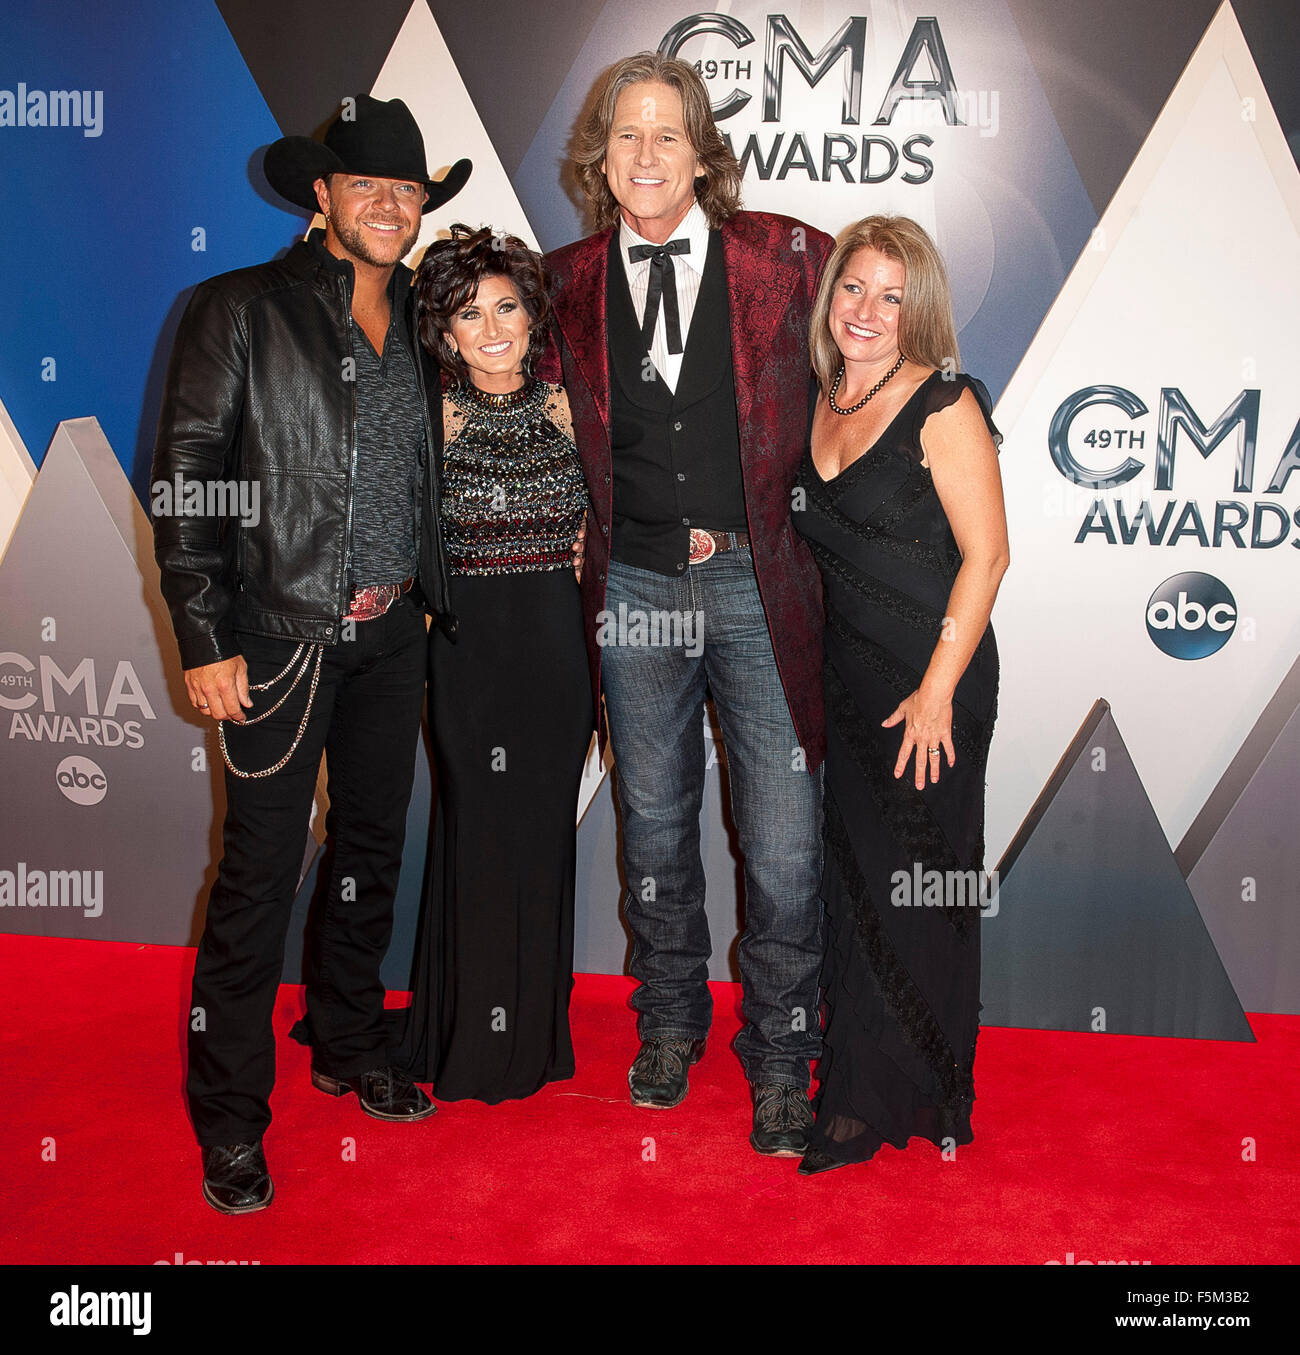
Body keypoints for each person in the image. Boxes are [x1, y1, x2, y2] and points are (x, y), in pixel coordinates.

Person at [151, 95, 471, 1213]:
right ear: (322, 196)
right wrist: (201, 634)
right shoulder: (239, 307)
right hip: (276, 637)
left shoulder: (425, 326)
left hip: (392, 635)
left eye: (408, 189)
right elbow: (189, 474)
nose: (390, 204)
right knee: (257, 876)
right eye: (367, 185)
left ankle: (344, 1037)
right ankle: (231, 1116)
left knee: (369, 850)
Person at [545, 52, 832, 1155]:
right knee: (654, 824)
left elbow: (868, 367)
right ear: (600, 154)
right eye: (627, 135)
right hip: (635, 584)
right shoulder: (565, 278)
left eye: (669, 134)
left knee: (783, 840)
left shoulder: (785, 256)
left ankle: (778, 1051)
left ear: (702, 151)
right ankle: (668, 1022)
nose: (647, 155)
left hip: (760, 581)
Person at [793, 216, 1009, 1174]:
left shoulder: (944, 402)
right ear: (830, 293)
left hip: (937, 685)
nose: (867, 310)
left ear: (916, 306)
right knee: (859, 885)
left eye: (891, 294)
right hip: (850, 684)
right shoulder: (822, 396)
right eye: (853, 288)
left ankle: (910, 1094)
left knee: (921, 888)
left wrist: (934, 692)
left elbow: (988, 555)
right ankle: (863, 1081)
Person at [391, 225, 592, 1101]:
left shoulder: (569, 406)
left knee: (542, 835)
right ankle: (464, 1035)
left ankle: (537, 1038)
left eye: (506, 306)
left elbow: (617, 515)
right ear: (444, 332)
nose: (493, 327)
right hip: (469, 650)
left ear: (532, 312)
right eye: (470, 315)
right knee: (475, 832)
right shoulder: (430, 418)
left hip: (557, 650)